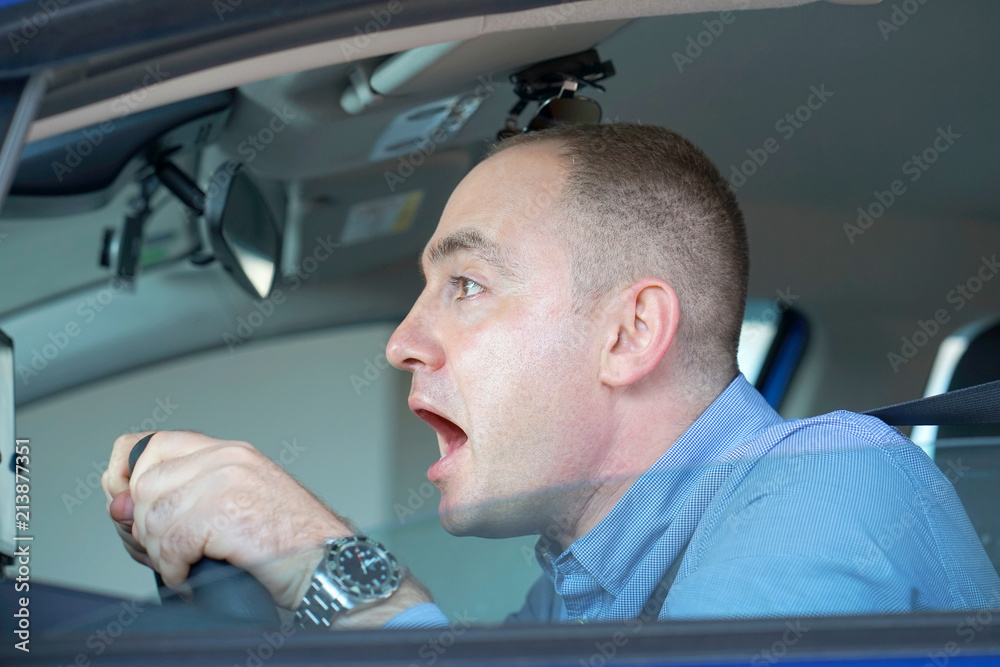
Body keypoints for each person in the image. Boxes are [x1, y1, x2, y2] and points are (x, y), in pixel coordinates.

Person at [102, 123, 1000, 630]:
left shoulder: (832, 475)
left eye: (465, 285)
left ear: (629, 332)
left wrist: (316, 554)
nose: (404, 341)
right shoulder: (570, 592)